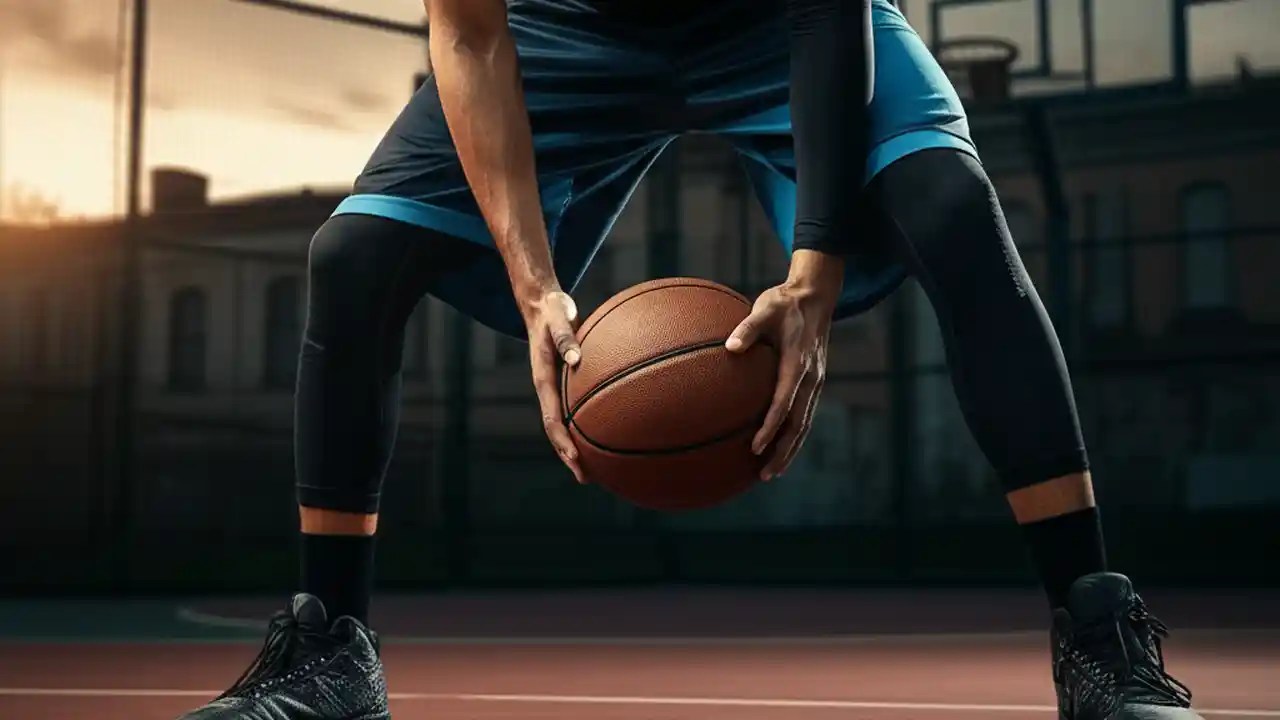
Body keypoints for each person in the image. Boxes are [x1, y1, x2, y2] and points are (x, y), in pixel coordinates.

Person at [177, 1, 1200, 719]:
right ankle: (328, 656)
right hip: (560, 27)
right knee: (352, 256)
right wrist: (535, 286)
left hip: (780, 20)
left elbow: (820, 15)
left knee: (948, 205)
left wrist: (813, 273)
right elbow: (470, 30)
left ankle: (1094, 631)